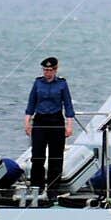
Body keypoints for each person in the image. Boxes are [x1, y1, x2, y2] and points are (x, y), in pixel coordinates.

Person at [25, 56, 75, 194]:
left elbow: (68, 105)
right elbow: (31, 103)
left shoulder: (62, 84)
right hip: (40, 121)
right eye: (45, 70)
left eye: (50, 70)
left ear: (55, 70)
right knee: (37, 157)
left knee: (56, 157)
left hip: (56, 121)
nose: (47, 72)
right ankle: (37, 188)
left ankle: (53, 190)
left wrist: (69, 125)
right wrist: (27, 122)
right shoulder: (37, 83)